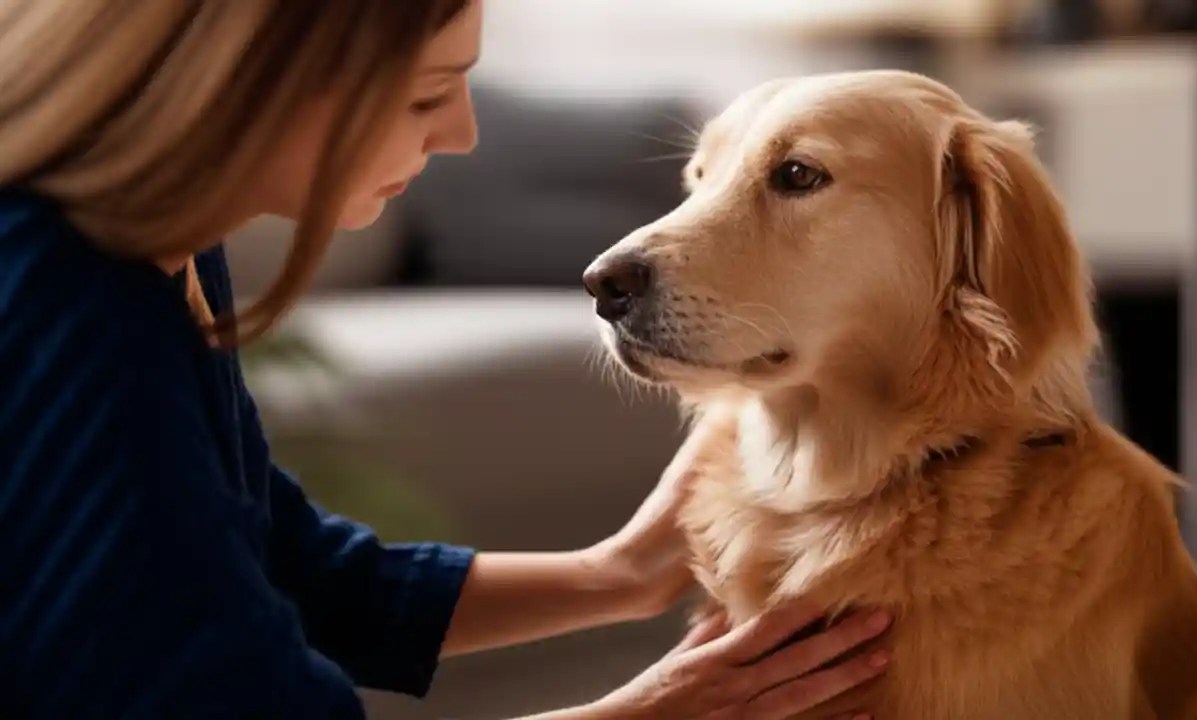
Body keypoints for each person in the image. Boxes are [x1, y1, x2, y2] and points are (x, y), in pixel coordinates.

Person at [0, 2, 892, 718]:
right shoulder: (73, 313)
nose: (462, 132)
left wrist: (623, 572)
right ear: (256, 86)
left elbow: (288, 570)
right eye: (430, 94)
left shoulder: (166, 252)